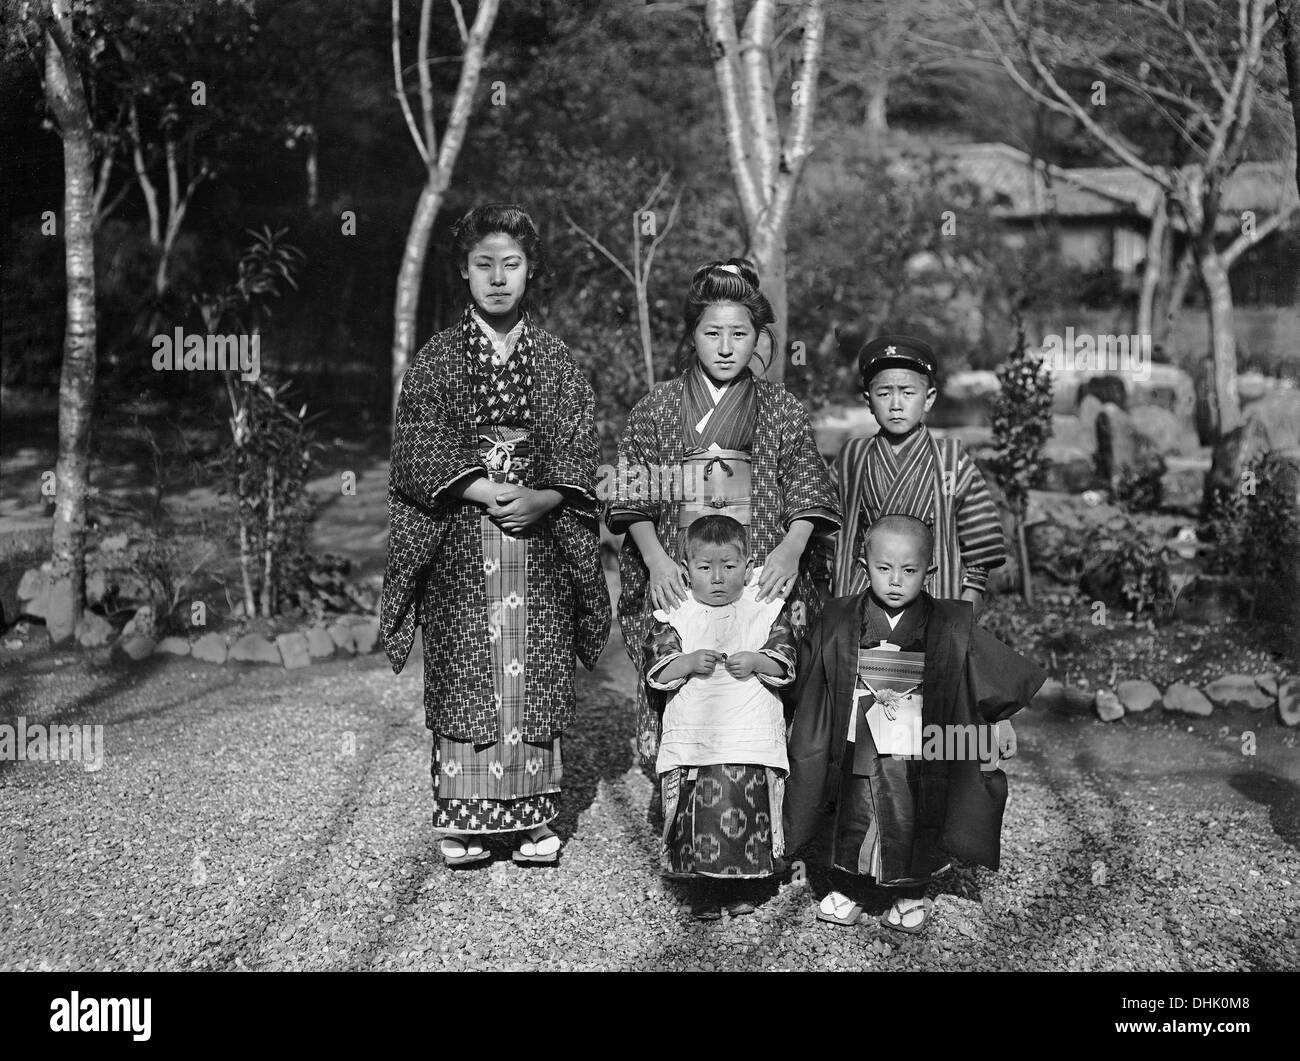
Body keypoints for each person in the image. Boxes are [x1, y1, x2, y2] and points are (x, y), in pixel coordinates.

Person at [381, 203, 610, 868]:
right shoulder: (438, 359)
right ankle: (465, 819)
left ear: (530, 270)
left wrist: (543, 497)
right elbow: (416, 445)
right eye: (485, 265)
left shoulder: (557, 362)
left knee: (534, 670)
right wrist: (482, 488)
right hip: (460, 536)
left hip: (540, 544)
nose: (499, 278)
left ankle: (533, 818)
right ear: (464, 270)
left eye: (512, 264)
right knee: (465, 671)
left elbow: (577, 446)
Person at [605, 258, 839, 769]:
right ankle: (682, 785)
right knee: (686, 681)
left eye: (740, 333)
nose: (727, 347)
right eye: (713, 333)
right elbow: (631, 495)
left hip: (758, 572)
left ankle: (762, 783)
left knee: (757, 687)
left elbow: (807, 487)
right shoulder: (657, 408)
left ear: (759, 337)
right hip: (680, 569)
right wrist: (657, 562)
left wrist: (792, 549)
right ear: (693, 335)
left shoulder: (781, 408)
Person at [784, 514, 1044, 934]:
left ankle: (910, 893)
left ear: (930, 571)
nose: (895, 581)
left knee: (914, 811)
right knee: (853, 808)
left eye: (909, 571)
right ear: (863, 564)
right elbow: (809, 673)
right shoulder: (839, 617)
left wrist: (1000, 720)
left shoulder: (949, 622)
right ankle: (848, 886)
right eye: (883, 568)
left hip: (917, 738)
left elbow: (983, 675)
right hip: (858, 731)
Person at [644, 515, 796, 920]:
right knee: (699, 815)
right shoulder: (677, 612)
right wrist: (688, 662)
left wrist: (758, 660)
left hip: (748, 735)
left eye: (729, 566)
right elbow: (657, 669)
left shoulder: (763, 609)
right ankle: (704, 891)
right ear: (686, 569)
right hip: (697, 735)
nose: (717, 578)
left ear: (747, 567)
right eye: (704, 567)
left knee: (745, 805)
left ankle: (742, 884)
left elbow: (786, 659)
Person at [828, 335, 1005, 610]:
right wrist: (823, 581)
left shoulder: (950, 460)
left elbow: (978, 530)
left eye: (908, 393)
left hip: (933, 590)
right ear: (868, 401)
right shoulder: (853, 456)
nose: (896, 404)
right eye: (884, 394)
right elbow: (828, 524)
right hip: (864, 588)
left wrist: (974, 587)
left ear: (929, 399)